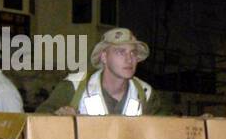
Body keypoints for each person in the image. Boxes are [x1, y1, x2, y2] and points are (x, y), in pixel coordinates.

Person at [36, 27, 169, 115]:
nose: (129, 59)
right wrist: (59, 118)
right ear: (104, 57)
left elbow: (167, 132)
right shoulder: (74, 87)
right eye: (120, 52)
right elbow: (37, 122)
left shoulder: (146, 94)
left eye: (133, 53)